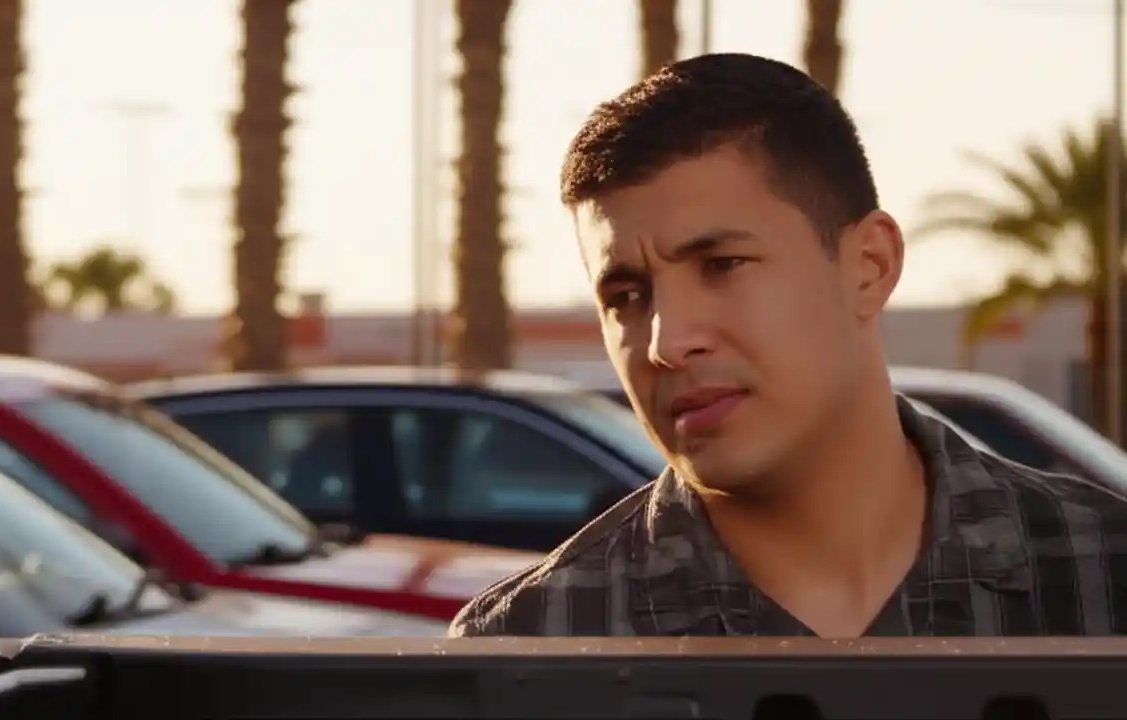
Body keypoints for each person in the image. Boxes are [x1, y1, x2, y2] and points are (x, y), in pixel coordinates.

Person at [449, 53, 1127, 638]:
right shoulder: (539, 644)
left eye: (722, 265)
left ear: (868, 265)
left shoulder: (1102, 575)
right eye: (626, 295)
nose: (666, 341)